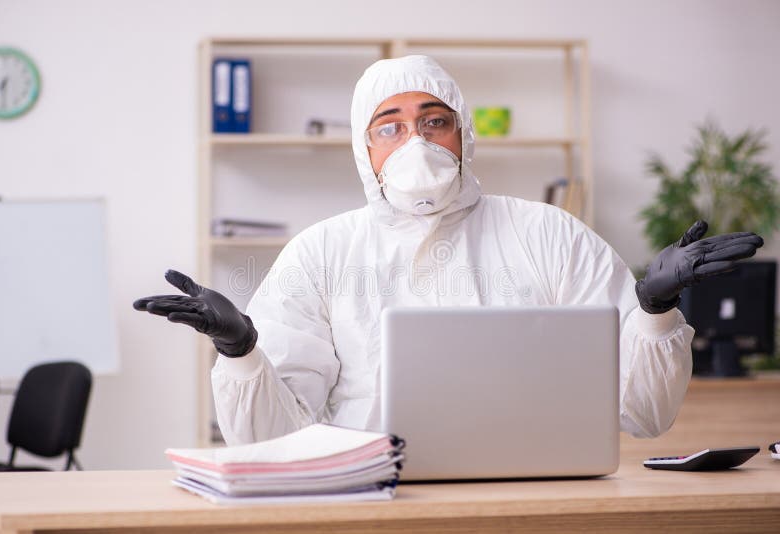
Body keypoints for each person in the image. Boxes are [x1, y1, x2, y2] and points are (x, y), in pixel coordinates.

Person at [134, 55, 763, 444]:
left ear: (463, 132)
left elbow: (644, 417)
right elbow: (275, 439)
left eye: (434, 121)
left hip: (541, 502)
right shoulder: (322, 253)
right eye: (392, 126)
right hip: (370, 500)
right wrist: (241, 352)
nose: (417, 141)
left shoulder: (548, 235)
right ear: (365, 148)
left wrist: (653, 312)